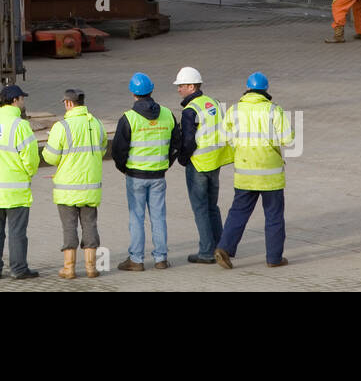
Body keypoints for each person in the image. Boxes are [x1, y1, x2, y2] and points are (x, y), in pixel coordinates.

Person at [215, 72, 295, 269]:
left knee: (238, 212)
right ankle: (274, 258)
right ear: (266, 90)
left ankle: (224, 248)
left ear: (247, 88)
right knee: (274, 215)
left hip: (245, 170)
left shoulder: (234, 110)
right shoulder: (273, 110)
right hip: (270, 173)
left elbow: (223, 136)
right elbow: (288, 139)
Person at [110, 72, 179, 272]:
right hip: (158, 175)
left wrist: (125, 169)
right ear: (151, 90)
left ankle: (136, 260)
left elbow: (118, 151)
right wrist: (166, 163)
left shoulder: (129, 118)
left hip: (135, 176)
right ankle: (161, 258)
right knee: (159, 217)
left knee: (136, 218)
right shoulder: (167, 114)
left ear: (133, 93)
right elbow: (176, 144)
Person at [40, 88, 106, 279]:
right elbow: (102, 151)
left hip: (67, 189)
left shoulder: (62, 126)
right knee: (90, 225)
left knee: (69, 227)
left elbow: (51, 157)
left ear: (68, 103)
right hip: (90, 188)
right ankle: (91, 268)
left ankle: (69, 269)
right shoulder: (96, 124)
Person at [0, 85, 41, 280]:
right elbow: (31, 159)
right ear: (15, 100)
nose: (24, 102)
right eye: (23, 99)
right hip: (16, 191)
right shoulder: (20, 125)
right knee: (17, 232)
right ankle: (18, 269)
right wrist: (27, 174)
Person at [174, 66, 231, 264]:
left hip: (198, 163)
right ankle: (223, 247)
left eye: (181, 86)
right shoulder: (212, 102)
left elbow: (189, 141)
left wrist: (182, 159)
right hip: (215, 161)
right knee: (212, 206)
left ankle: (206, 252)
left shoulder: (191, 110)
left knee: (200, 208)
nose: (179, 89)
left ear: (191, 86)